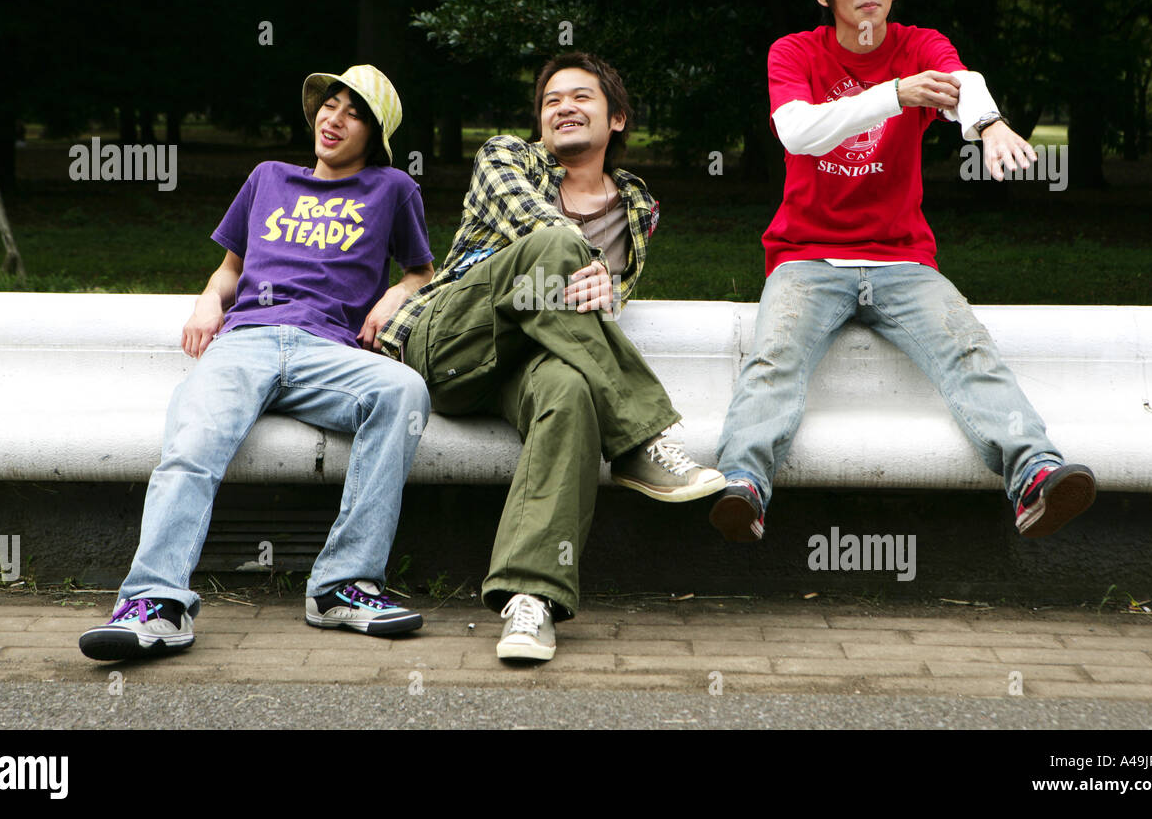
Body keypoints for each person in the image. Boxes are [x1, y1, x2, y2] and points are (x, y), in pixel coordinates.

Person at [710, 0, 1095, 544]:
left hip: (902, 259)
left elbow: (961, 82)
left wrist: (989, 125)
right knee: (773, 359)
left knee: (968, 347)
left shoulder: (919, 45)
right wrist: (896, 94)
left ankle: (1034, 474)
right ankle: (743, 487)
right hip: (807, 258)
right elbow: (797, 130)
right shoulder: (796, 51)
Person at [376, 52, 724, 662]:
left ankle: (530, 601)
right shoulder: (505, 157)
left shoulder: (639, 207)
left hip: (533, 364)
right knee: (555, 241)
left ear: (617, 118)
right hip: (455, 340)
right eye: (551, 100)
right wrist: (583, 262)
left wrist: (607, 290)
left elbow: (601, 303)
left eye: (581, 97)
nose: (563, 107)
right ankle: (641, 442)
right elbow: (535, 226)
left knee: (569, 389)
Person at [80, 64, 434, 661]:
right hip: (245, 341)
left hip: (329, 350)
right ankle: (154, 603)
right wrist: (206, 303)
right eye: (330, 104)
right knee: (194, 440)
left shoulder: (392, 188)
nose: (334, 117)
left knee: (403, 392)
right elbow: (230, 269)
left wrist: (396, 295)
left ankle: (343, 586)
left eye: (354, 112)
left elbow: (421, 271)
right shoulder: (269, 177)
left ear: (374, 135)